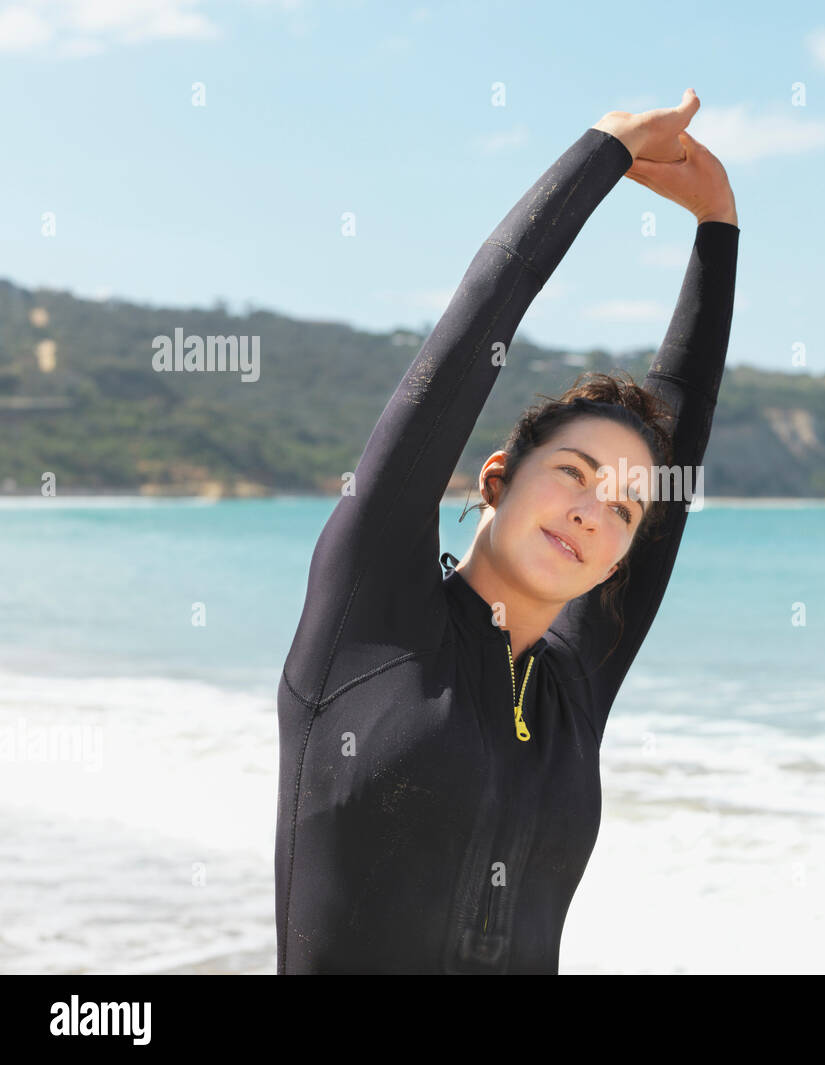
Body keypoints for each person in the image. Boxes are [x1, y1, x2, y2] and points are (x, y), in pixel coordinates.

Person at [274, 89, 739, 973]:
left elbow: (687, 416)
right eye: (574, 474)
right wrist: (600, 152)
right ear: (496, 478)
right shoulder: (371, 619)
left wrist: (719, 225)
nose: (593, 512)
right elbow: (466, 338)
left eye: (625, 509)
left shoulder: (574, 685)